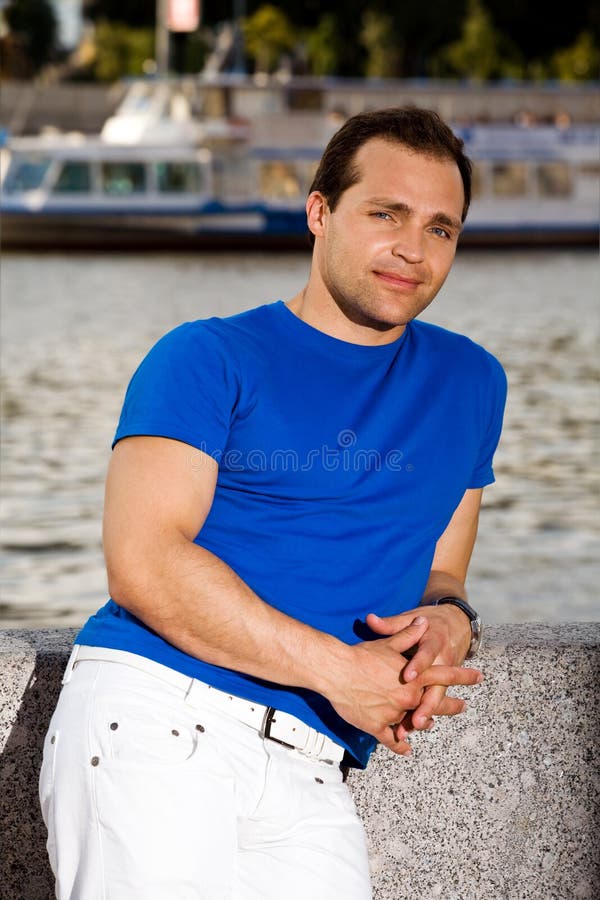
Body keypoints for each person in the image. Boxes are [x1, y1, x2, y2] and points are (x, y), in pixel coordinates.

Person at [40, 106, 507, 900]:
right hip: (159, 722)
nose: (413, 249)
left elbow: (442, 570)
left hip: (313, 766)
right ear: (319, 212)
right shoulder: (206, 355)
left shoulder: (473, 381)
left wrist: (452, 622)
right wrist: (342, 672)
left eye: (441, 228)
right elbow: (144, 563)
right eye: (385, 215)